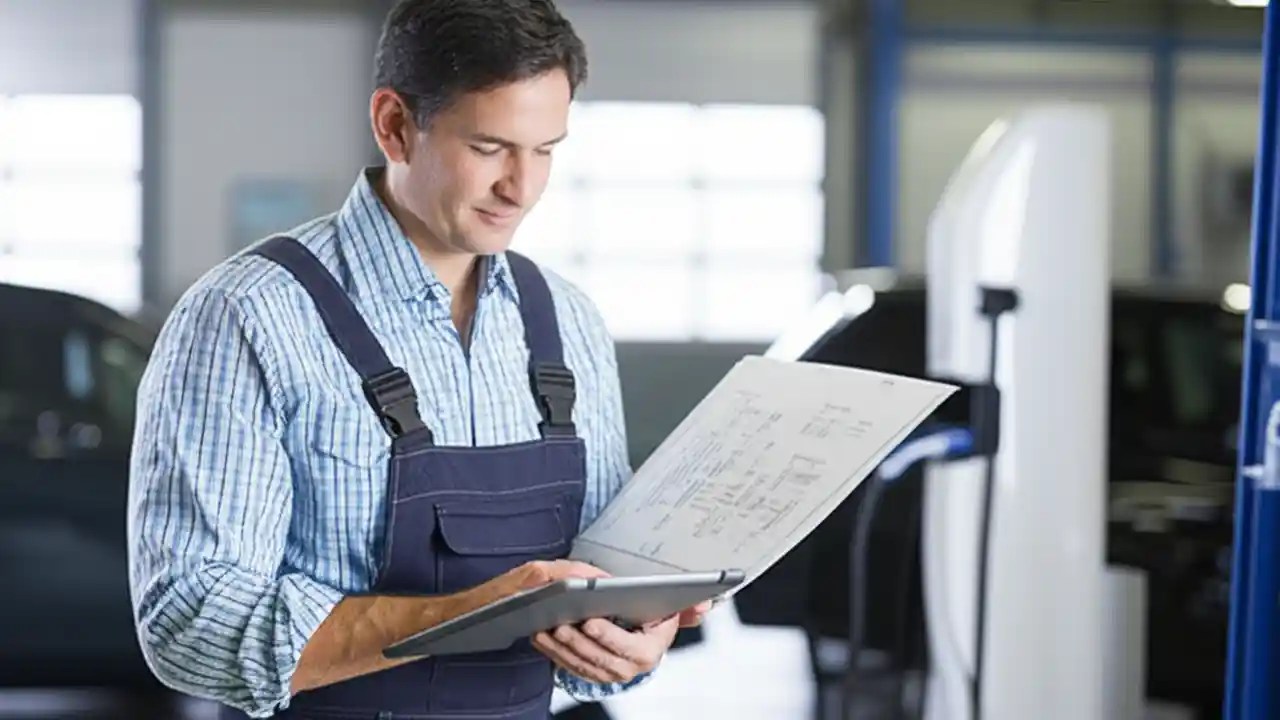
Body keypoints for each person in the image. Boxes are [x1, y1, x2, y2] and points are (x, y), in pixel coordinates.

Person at [126, 1, 708, 717]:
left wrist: (631, 643)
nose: (521, 188)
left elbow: (597, 594)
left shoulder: (567, 321)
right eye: (491, 147)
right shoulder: (250, 317)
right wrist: (463, 615)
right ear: (395, 125)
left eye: (547, 149)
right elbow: (188, 621)